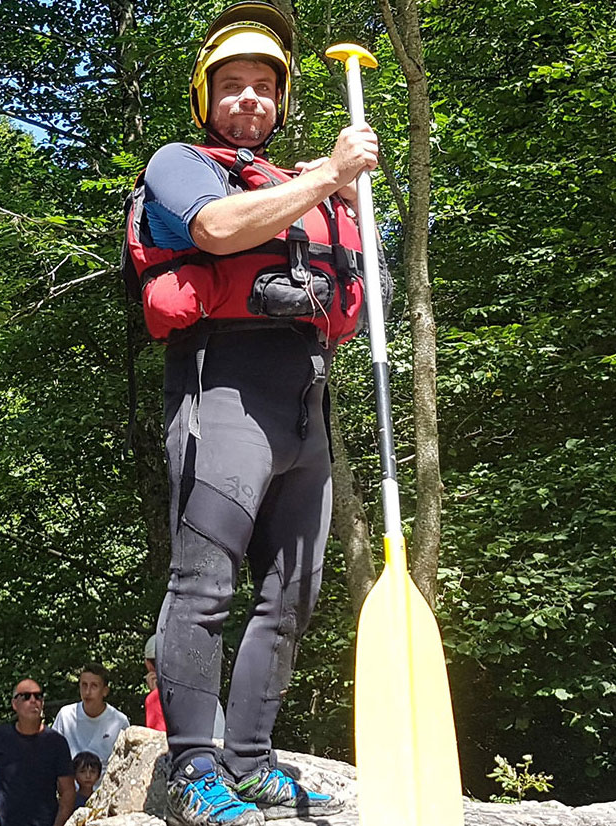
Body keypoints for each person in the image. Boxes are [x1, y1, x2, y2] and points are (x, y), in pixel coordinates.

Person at [135, 3, 386, 825]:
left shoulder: (296, 183)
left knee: (293, 595)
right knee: (205, 586)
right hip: (224, 386)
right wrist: (328, 176)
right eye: (233, 85)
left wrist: (332, 189)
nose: (250, 98)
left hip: (304, 400)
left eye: (264, 87)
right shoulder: (180, 162)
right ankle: (194, 769)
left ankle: (249, 761)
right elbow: (213, 231)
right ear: (207, 95)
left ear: (281, 102)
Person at [0, 678, 75, 826]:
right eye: (26, 696)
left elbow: (68, 790)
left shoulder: (56, 742)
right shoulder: (0, 737)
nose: (33, 700)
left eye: (38, 696)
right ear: (14, 704)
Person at [51, 663, 130, 775]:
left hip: (106, 788)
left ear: (105, 691)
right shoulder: (66, 715)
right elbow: (52, 753)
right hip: (71, 789)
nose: (87, 692)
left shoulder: (119, 721)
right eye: (84, 685)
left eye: (94, 686)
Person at [144, 634, 225, 738]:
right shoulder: (207, 694)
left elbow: (157, 743)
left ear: (149, 665)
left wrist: (157, 695)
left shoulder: (155, 698)